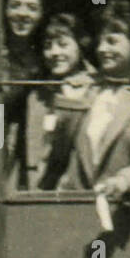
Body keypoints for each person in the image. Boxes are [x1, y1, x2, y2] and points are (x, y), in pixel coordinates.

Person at [59, 0, 130, 207]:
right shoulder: (86, 86)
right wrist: (68, 103)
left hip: (123, 211)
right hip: (72, 210)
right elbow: (59, 153)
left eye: (112, 41)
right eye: (100, 41)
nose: (102, 49)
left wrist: (125, 182)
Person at [21, 12, 96, 190]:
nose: (54, 52)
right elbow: (34, 156)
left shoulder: (98, 88)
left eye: (63, 45)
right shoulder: (37, 96)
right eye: (48, 46)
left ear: (80, 46)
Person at [0, 0, 46, 182]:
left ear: (41, 14)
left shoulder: (44, 56)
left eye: (32, 8)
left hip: (20, 145)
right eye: (15, 5)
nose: (22, 14)